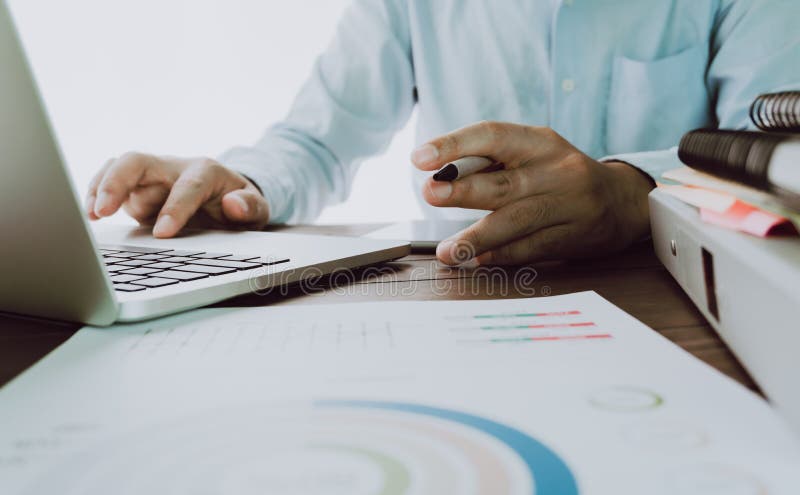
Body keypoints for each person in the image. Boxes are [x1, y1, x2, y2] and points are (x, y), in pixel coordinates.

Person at [84, 0, 800, 266]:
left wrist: (628, 190)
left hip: (673, 294)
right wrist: (246, 184)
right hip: (458, 289)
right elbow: (315, 140)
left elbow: (775, 167)